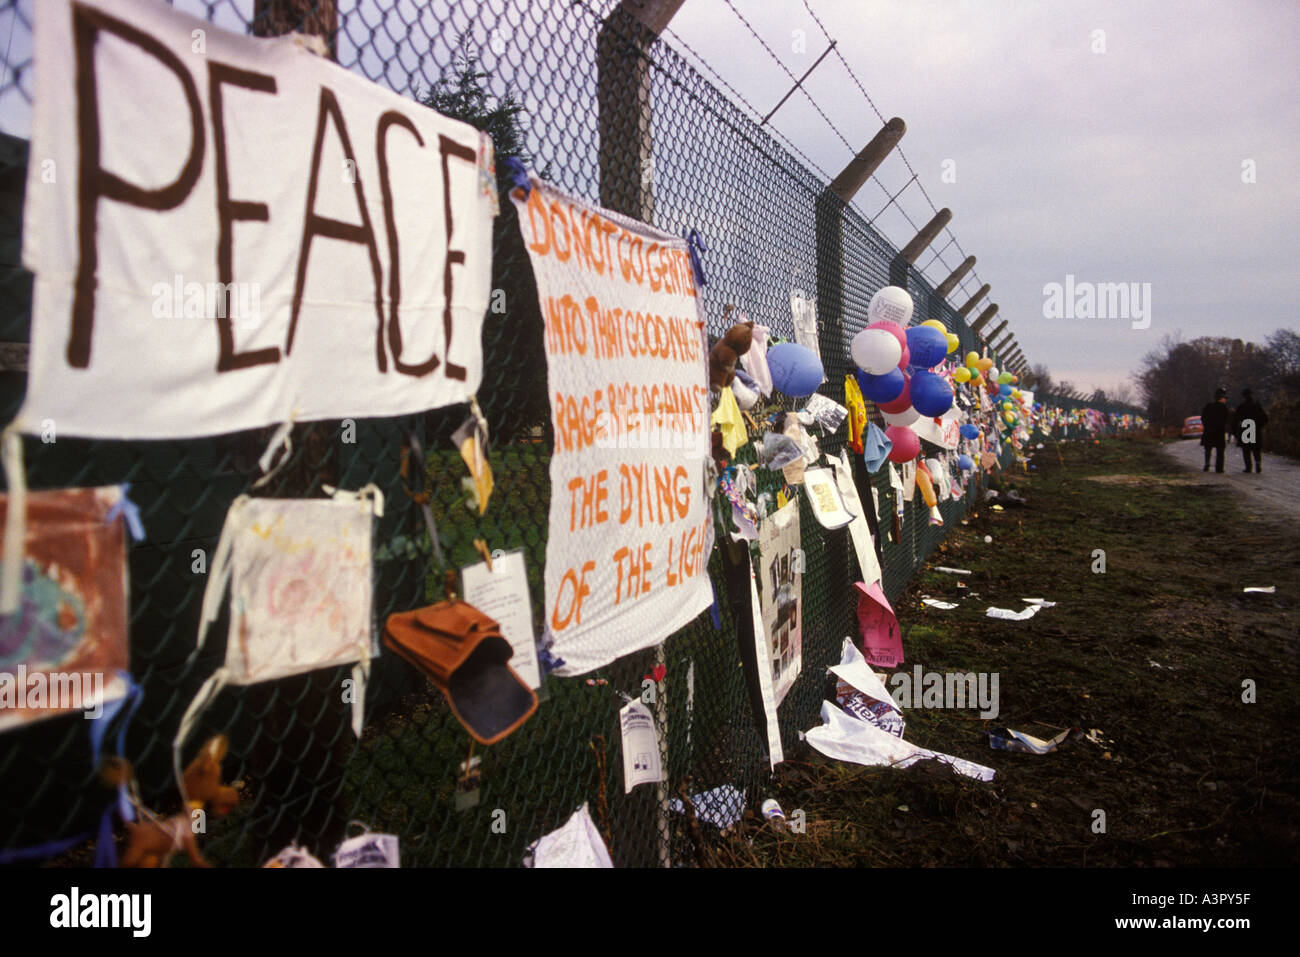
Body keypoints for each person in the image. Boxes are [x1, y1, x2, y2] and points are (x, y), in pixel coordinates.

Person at [1233, 387, 1269, 473]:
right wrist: (1259, 426)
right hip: (1255, 430)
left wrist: (1236, 431)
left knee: (1246, 450)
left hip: (1245, 430)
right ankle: (1258, 465)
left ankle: (1248, 467)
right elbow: (1265, 418)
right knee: (1256, 450)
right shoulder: (1257, 406)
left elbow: (1235, 420)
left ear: (1243, 396)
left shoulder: (1241, 407)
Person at [1200, 387, 1230, 473]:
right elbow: (1226, 420)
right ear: (1222, 398)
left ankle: (1207, 463)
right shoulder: (1224, 408)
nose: (1225, 400)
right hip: (1219, 432)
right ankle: (1219, 467)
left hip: (1209, 430)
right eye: (1225, 398)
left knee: (1208, 448)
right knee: (1220, 450)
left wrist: (1207, 426)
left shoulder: (1208, 406)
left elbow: (1203, 418)